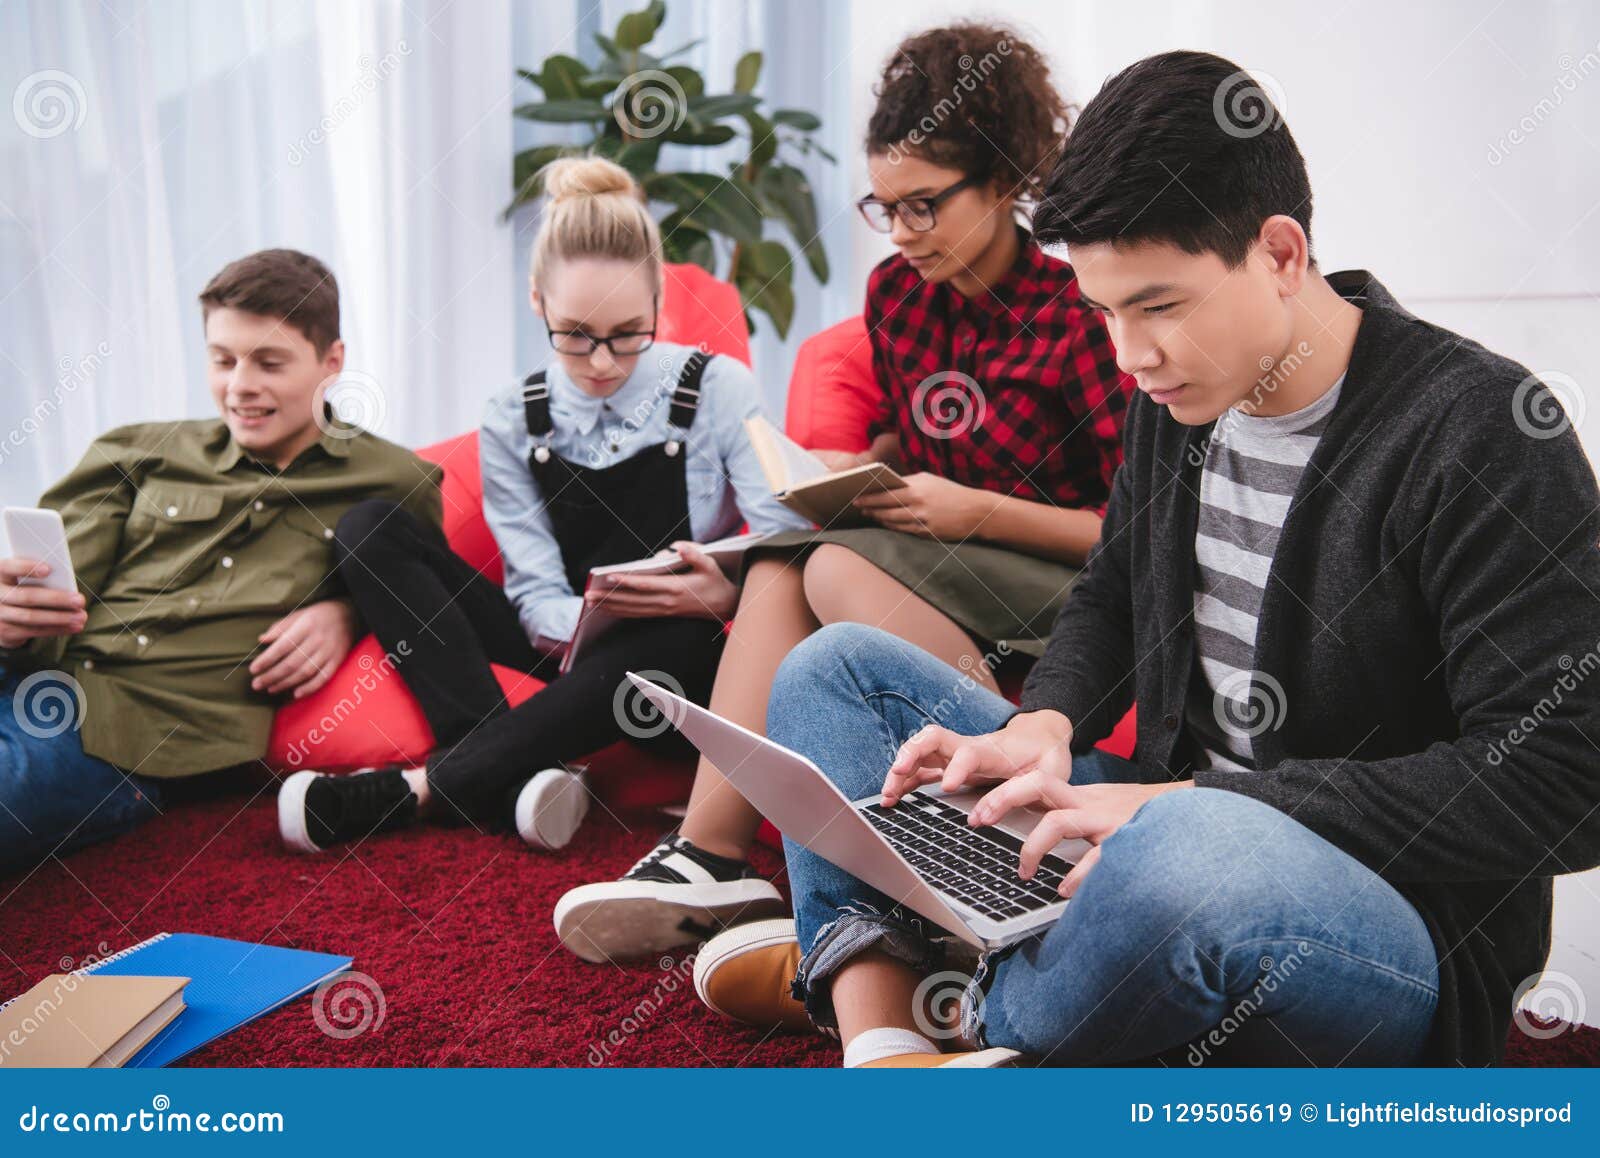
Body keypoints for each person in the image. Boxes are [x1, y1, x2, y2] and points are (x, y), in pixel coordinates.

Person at [689, 51, 1600, 1067]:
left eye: (1159, 306)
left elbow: (1564, 786)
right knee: (835, 672)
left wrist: (1199, 807)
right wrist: (1043, 726)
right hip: (1151, 833)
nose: (1129, 354)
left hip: (1379, 928)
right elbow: (1113, 592)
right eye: (1105, 312)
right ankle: (890, 1044)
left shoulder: (1480, 431)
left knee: (1182, 865)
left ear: (1281, 254)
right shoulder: (1176, 399)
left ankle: (927, 979)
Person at [555, 22, 1132, 963]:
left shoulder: (1077, 314)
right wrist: (858, 474)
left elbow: (1128, 535)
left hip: (1064, 580)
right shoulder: (897, 300)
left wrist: (972, 510)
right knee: (785, 564)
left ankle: (967, 826)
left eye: (924, 206)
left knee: (820, 569)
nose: (901, 232)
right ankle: (711, 857)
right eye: (884, 206)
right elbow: (918, 441)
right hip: (945, 558)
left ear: (1000, 184)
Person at [275, 156, 807, 860]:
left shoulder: (718, 388)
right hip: (560, 641)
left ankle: (420, 789)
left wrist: (725, 590)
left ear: (659, 305)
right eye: (576, 334)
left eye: (627, 333)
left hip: (676, 664)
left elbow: (784, 535)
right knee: (368, 529)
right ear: (538, 304)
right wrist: (582, 624)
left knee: (666, 640)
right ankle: (515, 772)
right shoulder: (512, 417)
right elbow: (531, 588)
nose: (603, 360)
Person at [0, 249, 441, 875]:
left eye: (269, 362)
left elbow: (429, 605)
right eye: (222, 359)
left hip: (124, 738)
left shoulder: (397, 483)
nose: (239, 387)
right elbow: (52, 583)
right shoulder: (135, 450)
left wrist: (348, 614)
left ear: (332, 362)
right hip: (27, 673)